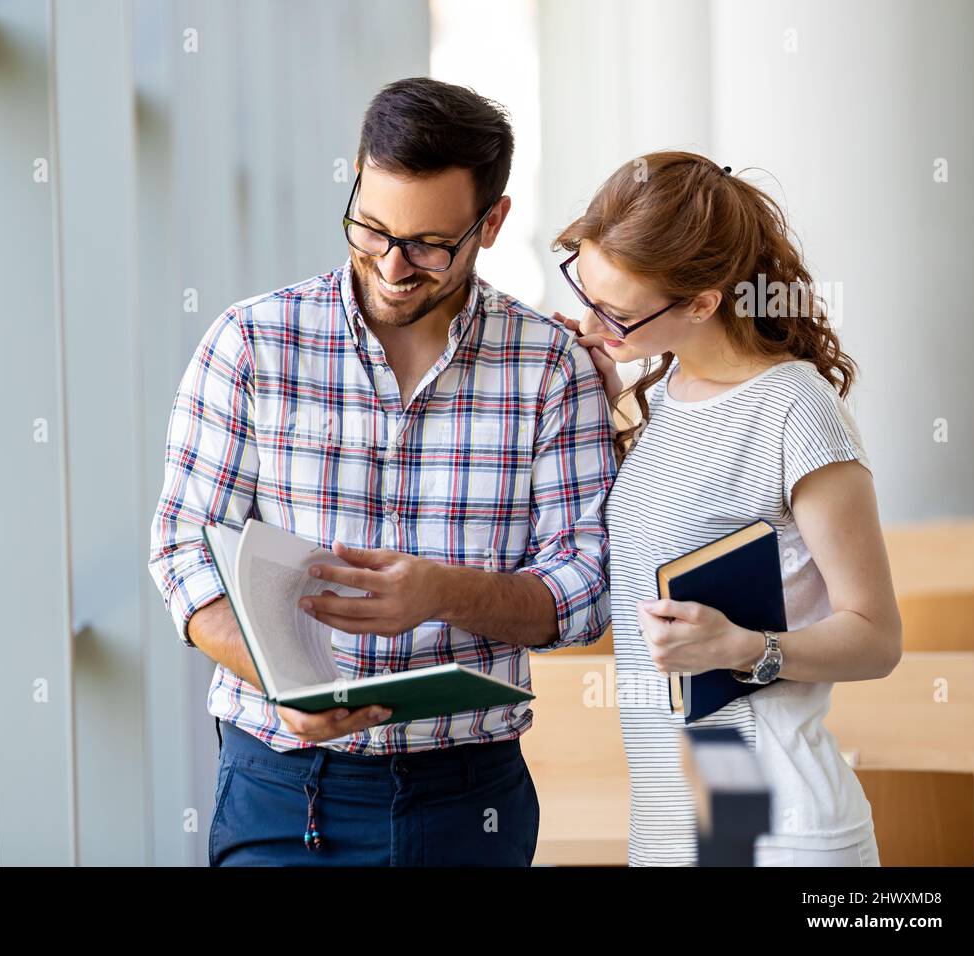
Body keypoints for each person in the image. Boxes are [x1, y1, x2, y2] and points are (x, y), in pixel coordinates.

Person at [148, 77, 616, 866]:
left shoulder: (550, 367)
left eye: (429, 244)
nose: (393, 266)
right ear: (357, 180)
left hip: (471, 798)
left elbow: (588, 587)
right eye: (371, 229)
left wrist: (442, 592)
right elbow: (182, 556)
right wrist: (279, 682)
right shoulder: (252, 344)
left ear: (492, 222)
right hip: (281, 786)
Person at [553, 151, 902, 866]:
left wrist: (744, 649)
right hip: (680, 808)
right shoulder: (665, 393)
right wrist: (612, 387)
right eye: (584, 290)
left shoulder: (795, 408)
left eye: (614, 312)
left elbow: (878, 637)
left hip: (773, 819)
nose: (590, 320)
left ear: (704, 303)